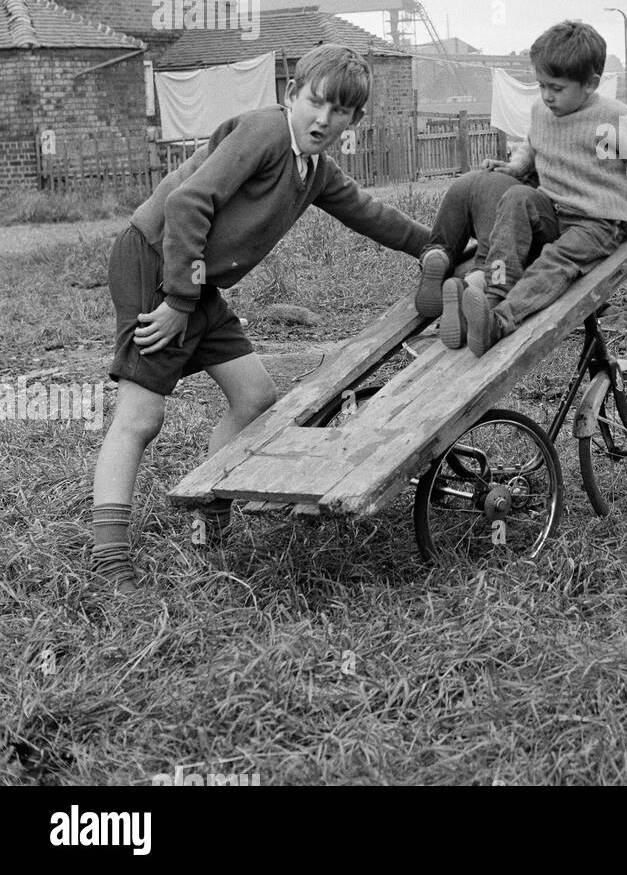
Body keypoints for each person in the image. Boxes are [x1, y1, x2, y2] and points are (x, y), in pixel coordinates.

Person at [92, 44, 433, 591]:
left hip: (197, 283)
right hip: (156, 262)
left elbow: (369, 214)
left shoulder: (314, 168)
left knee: (254, 398)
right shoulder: (266, 133)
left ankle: (211, 511)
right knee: (141, 416)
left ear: (354, 119)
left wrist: (435, 248)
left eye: (339, 111)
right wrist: (178, 302)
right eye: (316, 103)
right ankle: (108, 562)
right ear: (291, 94)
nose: (324, 119)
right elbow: (186, 204)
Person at [416, 19, 627, 356]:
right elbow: (532, 144)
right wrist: (516, 167)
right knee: (515, 198)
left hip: (597, 222)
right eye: (542, 85)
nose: (547, 96)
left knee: (553, 262)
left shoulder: (612, 116)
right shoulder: (541, 110)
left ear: (590, 84)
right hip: (553, 211)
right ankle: (489, 297)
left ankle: (500, 321)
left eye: (556, 87)